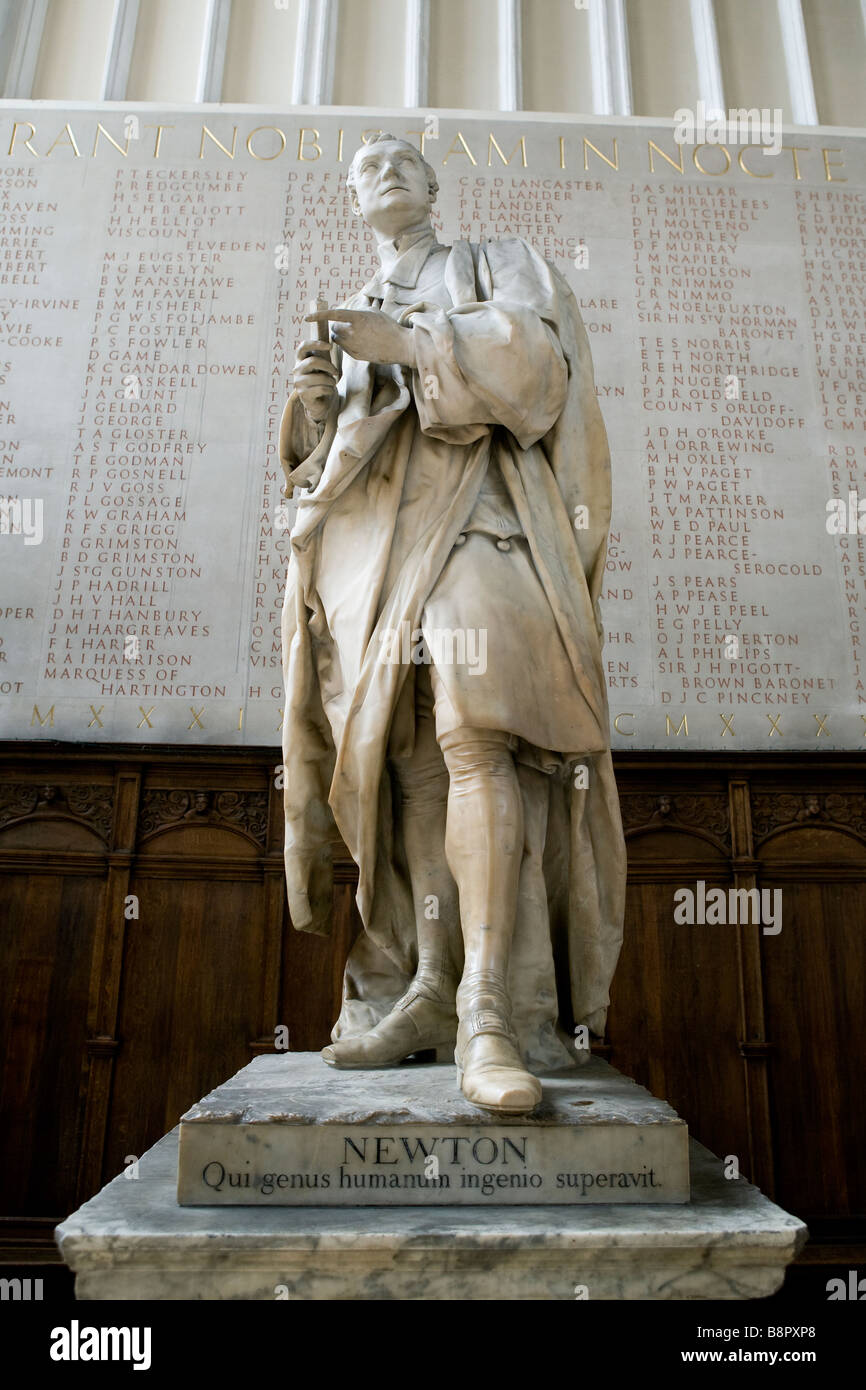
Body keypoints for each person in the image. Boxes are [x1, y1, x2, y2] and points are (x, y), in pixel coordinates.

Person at [278, 133, 626, 1113]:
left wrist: (416, 345)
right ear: (351, 202)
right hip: (368, 559)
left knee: (476, 737)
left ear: (432, 186)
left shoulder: (490, 262)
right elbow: (320, 471)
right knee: (404, 760)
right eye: (364, 166)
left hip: (478, 520)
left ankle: (489, 1011)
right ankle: (429, 984)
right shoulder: (351, 311)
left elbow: (535, 373)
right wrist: (315, 410)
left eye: (401, 158)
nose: (382, 168)